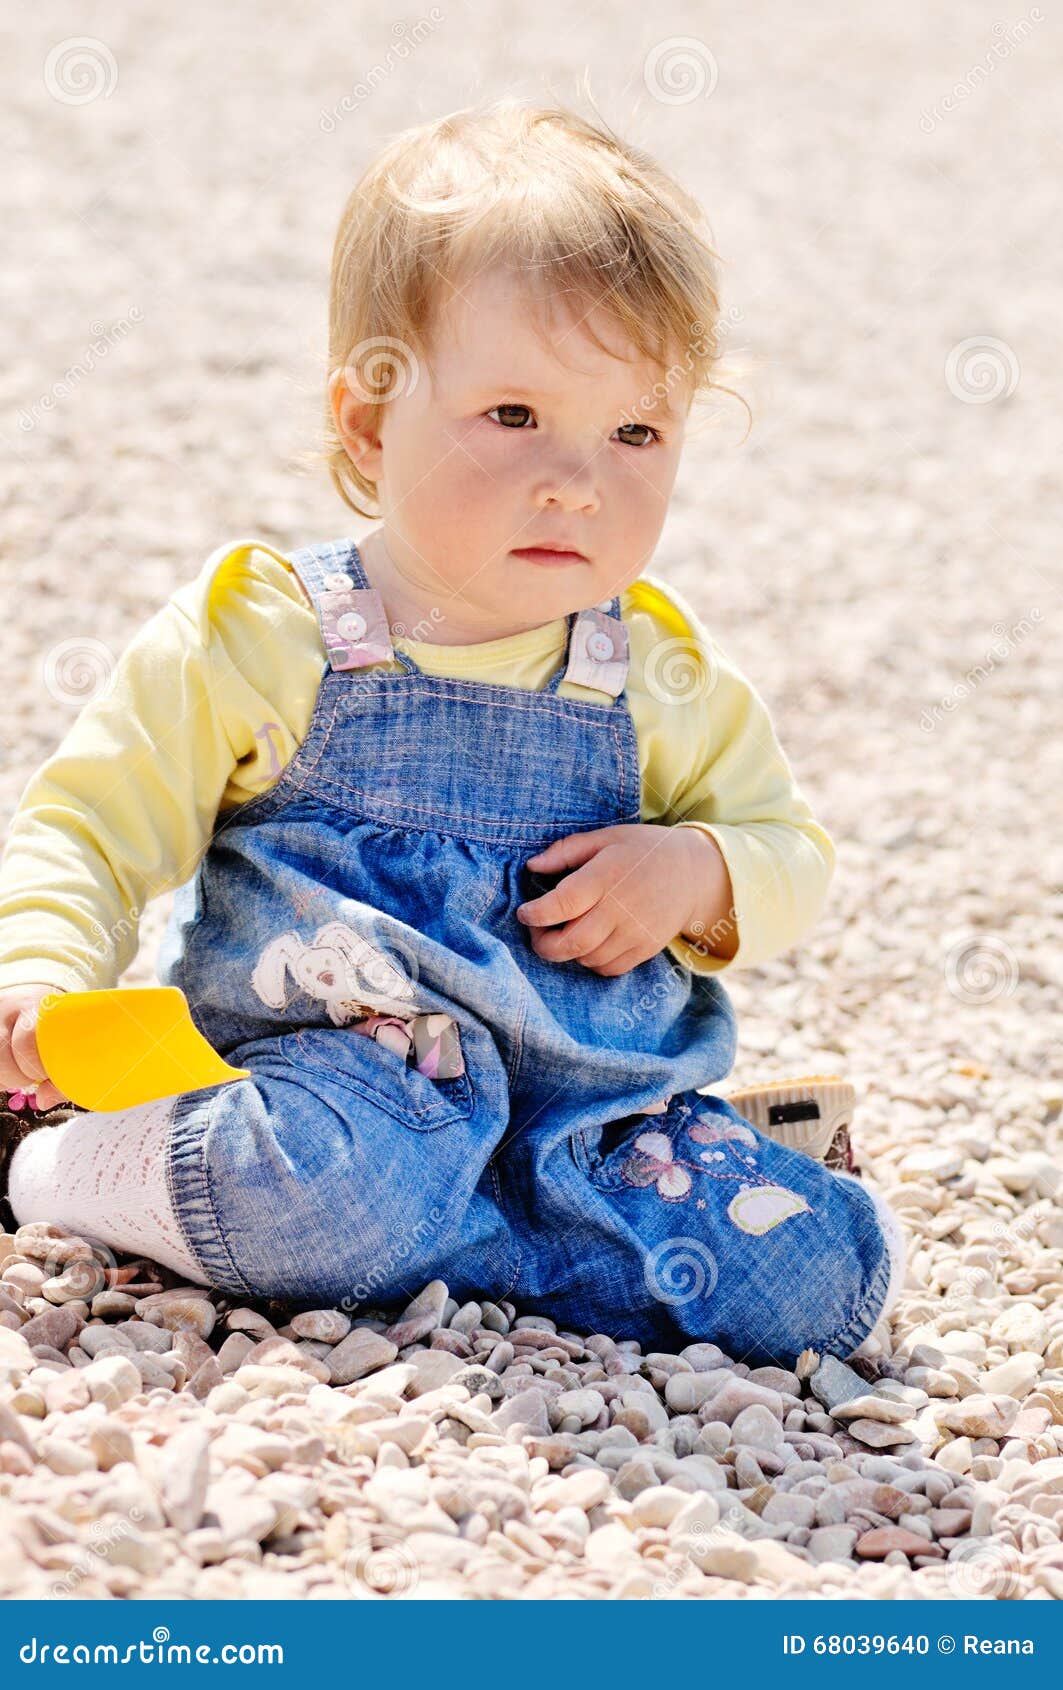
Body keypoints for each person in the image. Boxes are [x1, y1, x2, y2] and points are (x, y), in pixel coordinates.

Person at [0, 98, 905, 1367]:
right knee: (341, 1190)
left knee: (814, 1285)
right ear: (371, 425)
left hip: (580, 1119)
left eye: (635, 431)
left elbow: (790, 849)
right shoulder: (269, 634)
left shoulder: (655, 672)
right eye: (515, 417)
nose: (578, 479)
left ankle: (557, 1210)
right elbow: (89, 823)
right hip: (338, 1104)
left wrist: (698, 871)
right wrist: (42, 972)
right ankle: (60, 1160)